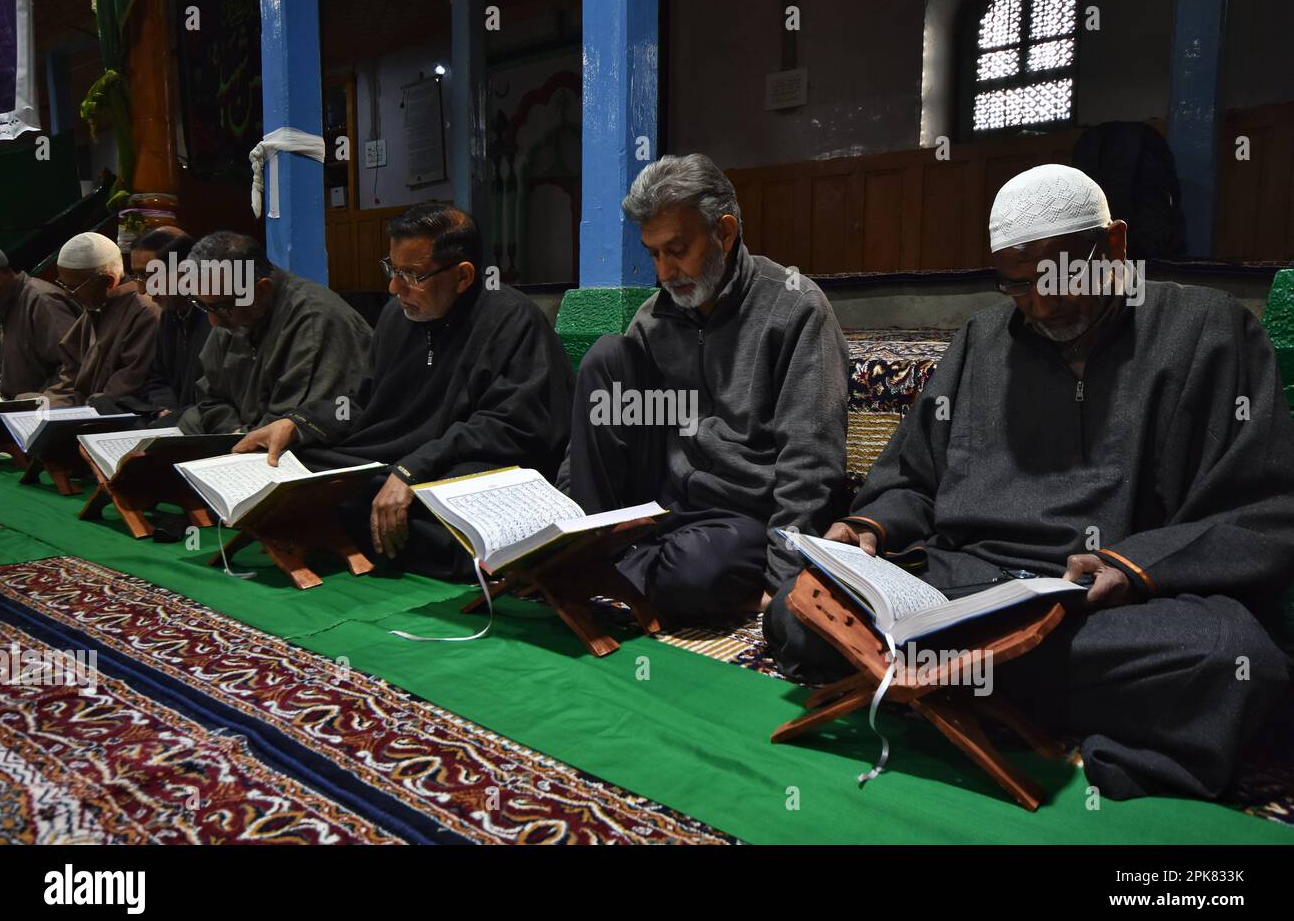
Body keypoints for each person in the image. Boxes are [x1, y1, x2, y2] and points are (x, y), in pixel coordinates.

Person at [765, 163, 1294, 801]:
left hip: (1097, 608)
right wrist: (868, 529)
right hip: (964, 585)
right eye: (1017, 285)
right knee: (803, 602)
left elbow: (1260, 507)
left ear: (1115, 245)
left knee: (1231, 660)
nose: (1041, 304)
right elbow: (911, 476)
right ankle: (991, 678)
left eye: (1058, 275)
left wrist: (1133, 566)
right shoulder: (979, 342)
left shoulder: (1209, 332)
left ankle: (936, 676)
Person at [557, 153, 849, 623]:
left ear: (725, 232)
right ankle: (593, 551)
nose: (664, 272)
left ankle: (625, 569)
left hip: (739, 516)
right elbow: (596, 432)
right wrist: (563, 527)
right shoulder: (654, 317)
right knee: (605, 358)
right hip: (662, 501)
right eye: (653, 254)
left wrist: (782, 581)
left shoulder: (795, 308)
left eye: (677, 250)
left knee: (693, 577)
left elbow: (811, 461)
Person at [233, 204, 573, 580]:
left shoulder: (513, 320)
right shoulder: (398, 316)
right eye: (393, 270)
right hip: (396, 460)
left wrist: (413, 469)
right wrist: (297, 425)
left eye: (412, 275)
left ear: (463, 276)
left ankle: (347, 529)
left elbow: (512, 427)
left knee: (456, 502)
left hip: (464, 463)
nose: (395, 288)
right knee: (297, 464)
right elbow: (362, 403)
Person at [177, 232, 372, 435]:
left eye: (223, 307)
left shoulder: (314, 320)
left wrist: (239, 440)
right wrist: (233, 433)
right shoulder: (229, 310)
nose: (213, 321)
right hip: (241, 437)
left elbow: (298, 423)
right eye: (201, 305)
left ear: (262, 290)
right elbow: (210, 398)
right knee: (188, 421)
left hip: (306, 447)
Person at [96, 226, 209, 425]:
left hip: (202, 423)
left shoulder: (216, 318)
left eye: (151, 276)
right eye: (138, 277)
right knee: (102, 406)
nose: (142, 289)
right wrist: (164, 409)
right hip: (170, 418)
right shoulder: (169, 314)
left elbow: (216, 399)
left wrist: (172, 418)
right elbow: (158, 379)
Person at [38, 232, 159, 407]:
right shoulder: (96, 305)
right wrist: (45, 405)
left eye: (73, 287)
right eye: (63, 285)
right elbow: (71, 374)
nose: (68, 294)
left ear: (108, 281)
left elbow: (125, 387)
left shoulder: (145, 311)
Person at [0, 243, 78, 398]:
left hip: (43, 413)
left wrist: (37, 401)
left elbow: (74, 368)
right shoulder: (6, 304)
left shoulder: (42, 301)